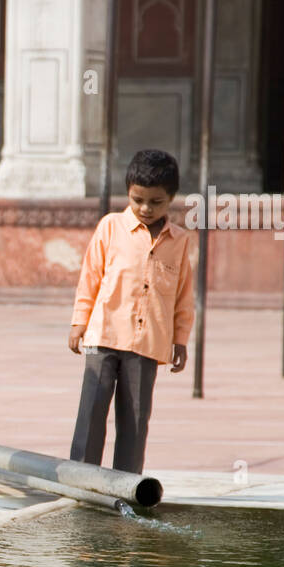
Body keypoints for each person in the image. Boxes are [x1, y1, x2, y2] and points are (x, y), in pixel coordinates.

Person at [68, 149, 194, 474]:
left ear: (171, 199)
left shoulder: (179, 242)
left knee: (135, 421)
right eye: (138, 199)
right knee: (91, 414)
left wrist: (180, 340)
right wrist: (79, 322)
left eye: (156, 202)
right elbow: (90, 278)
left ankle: (126, 484)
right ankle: (80, 481)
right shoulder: (110, 227)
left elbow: (183, 297)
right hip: (103, 336)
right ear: (128, 192)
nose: (145, 208)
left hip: (147, 345)